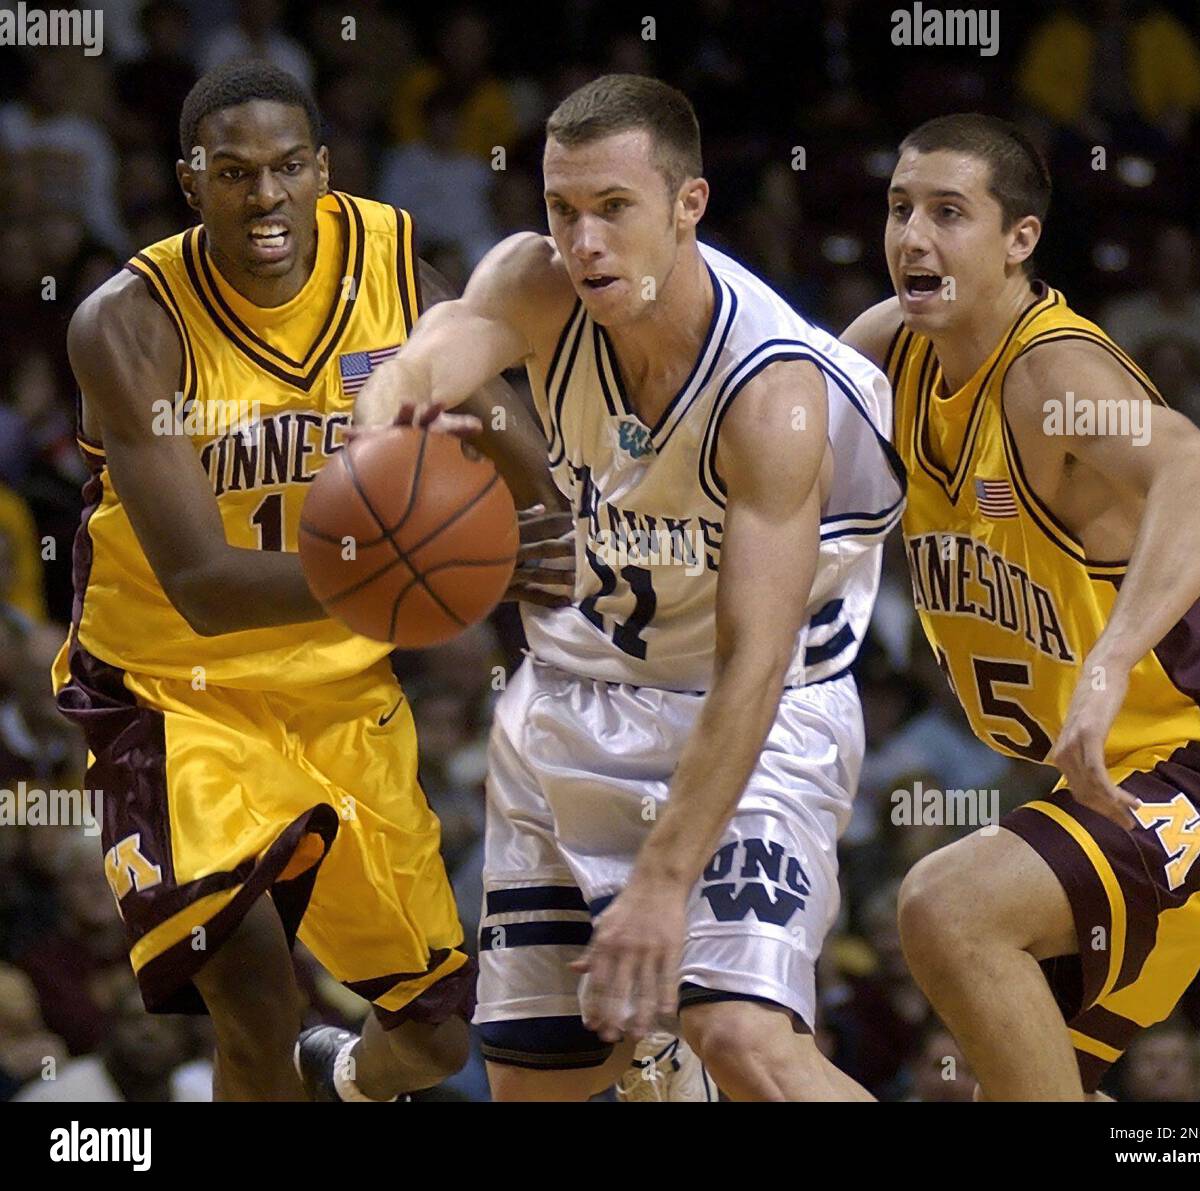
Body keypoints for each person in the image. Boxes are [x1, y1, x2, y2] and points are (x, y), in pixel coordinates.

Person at [356, 73, 905, 1102]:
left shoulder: (769, 391)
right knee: (541, 1085)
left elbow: (755, 661)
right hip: (572, 698)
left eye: (614, 209)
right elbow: (431, 352)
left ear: (686, 206)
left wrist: (660, 885)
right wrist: (384, 417)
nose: (584, 240)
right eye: (563, 209)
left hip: (754, 714)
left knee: (738, 1034)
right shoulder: (536, 282)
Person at [51, 60, 560, 1103]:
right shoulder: (126, 324)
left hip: (341, 693)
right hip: (176, 694)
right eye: (233, 173)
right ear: (190, 183)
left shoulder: (389, 261)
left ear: (324, 171)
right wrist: (436, 575)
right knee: (257, 1005)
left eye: (288, 167)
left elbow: (497, 411)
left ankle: (342, 1085)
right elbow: (203, 582)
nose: (266, 195)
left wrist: (569, 531)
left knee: (431, 1042)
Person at [842, 112, 1200, 1100]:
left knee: (948, 909)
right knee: (996, 1083)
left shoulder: (1051, 375)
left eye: (948, 213)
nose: (913, 236)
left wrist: (1104, 665)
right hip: (1116, 785)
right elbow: (764, 447)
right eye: (898, 208)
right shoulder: (884, 352)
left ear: (1019, 240)